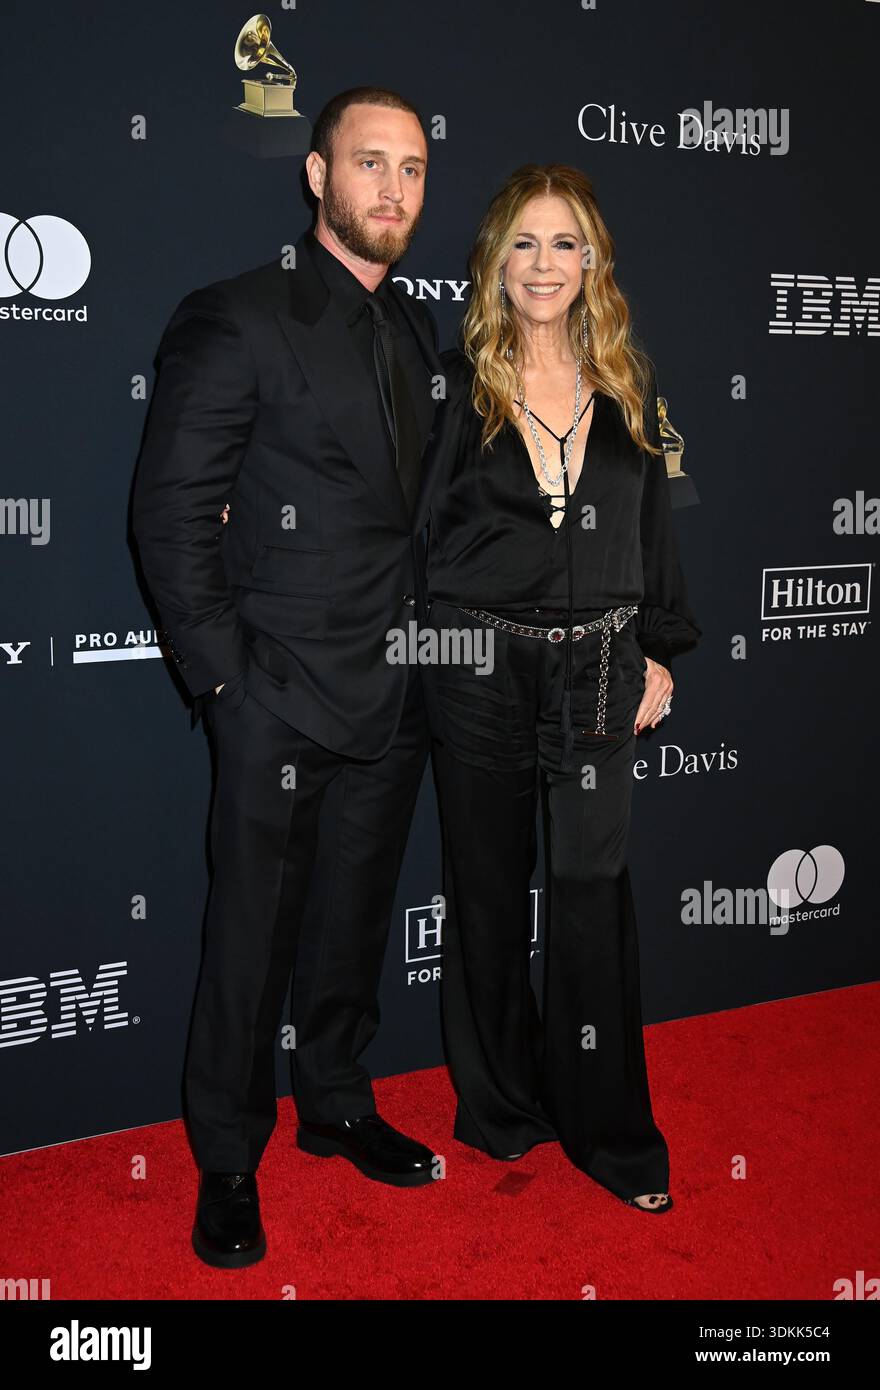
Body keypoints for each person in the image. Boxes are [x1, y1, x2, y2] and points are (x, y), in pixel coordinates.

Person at [131, 87, 450, 1268]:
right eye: (369, 164)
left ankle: (337, 1100)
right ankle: (225, 1156)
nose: (393, 190)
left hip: (397, 685)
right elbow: (169, 518)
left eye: (412, 170)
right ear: (317, 176)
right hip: (276, 692)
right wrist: (226, 686)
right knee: (248, 937)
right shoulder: (238, 316)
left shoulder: (418, 331)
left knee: (355, 917)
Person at [424, 164, 702, 1213]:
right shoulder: (455, 386)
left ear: (594, 263)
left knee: (591, 900)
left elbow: (652, 536)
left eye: (566, 243)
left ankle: (610, 1130)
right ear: (496, 259)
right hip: (478, 665)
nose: (545, 264)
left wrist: (661, 648)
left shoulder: (629, 387)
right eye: (526, 243)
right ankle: (500, 1104)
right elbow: (405, 531)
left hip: (598, 665)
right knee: (488, 896)